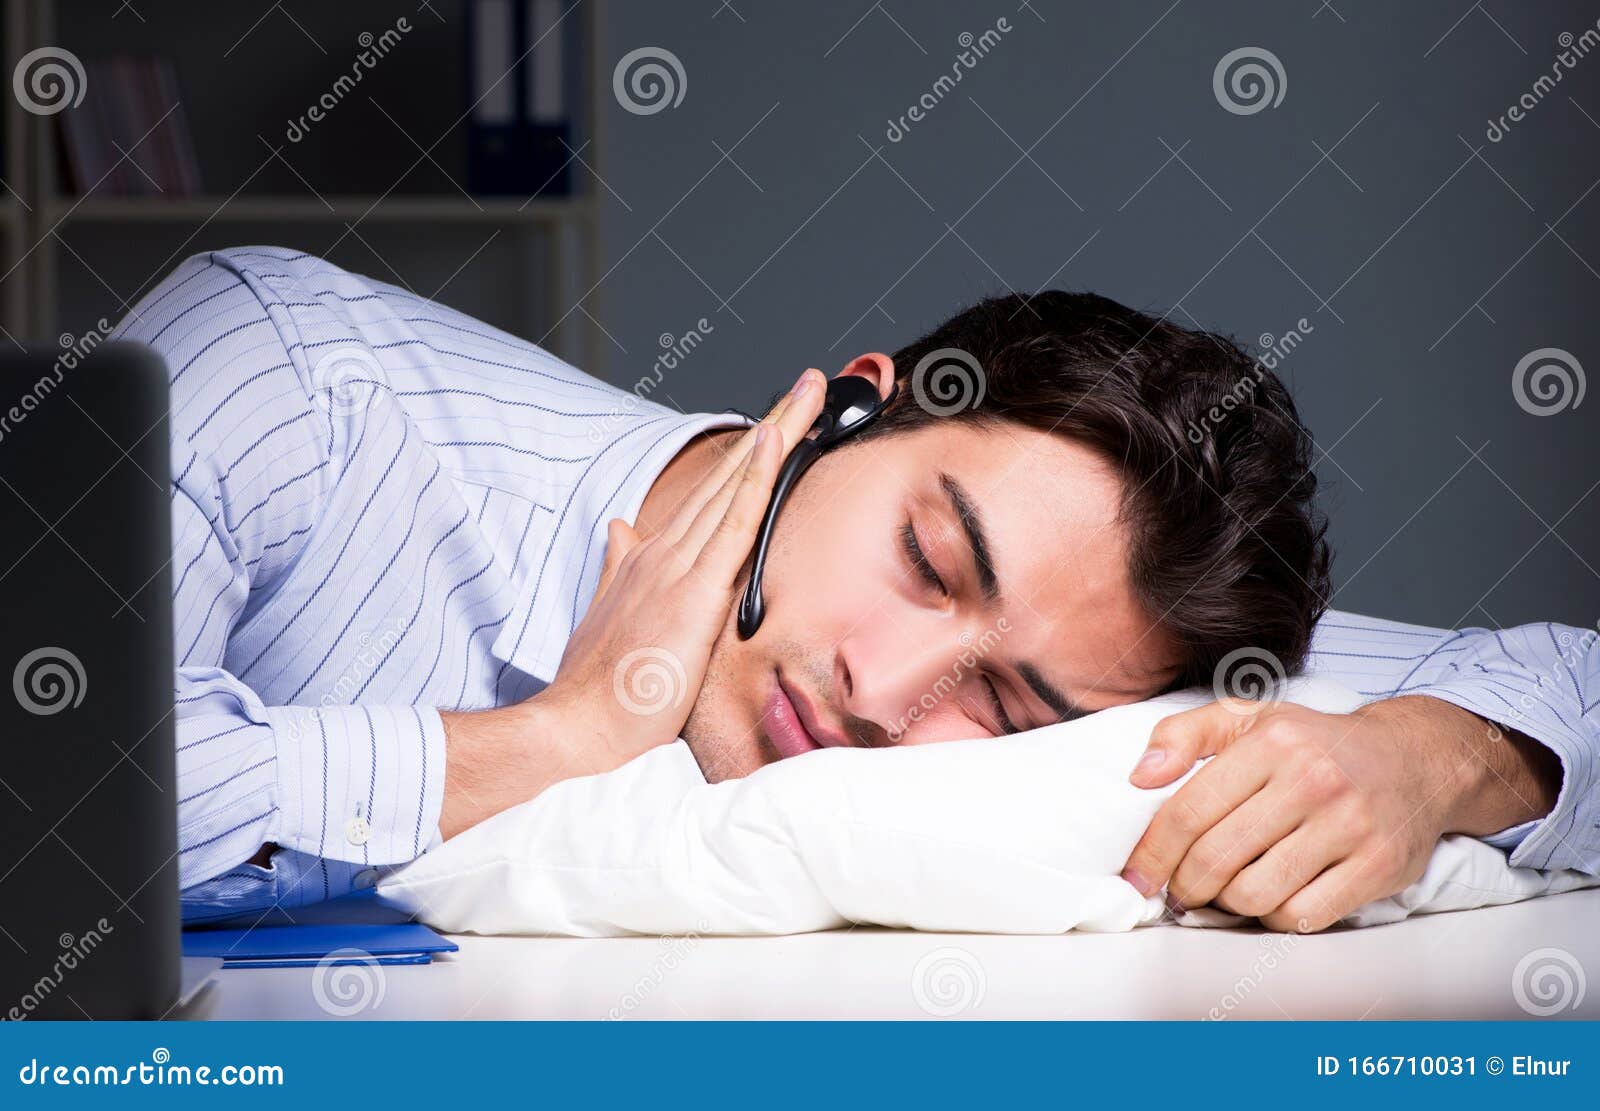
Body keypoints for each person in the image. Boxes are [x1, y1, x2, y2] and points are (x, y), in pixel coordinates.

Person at [125, 247, 1594, 931]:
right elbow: (49, 803)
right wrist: (555, 744)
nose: (884, 701)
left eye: (1008, 703)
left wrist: (1434, 760)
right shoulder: (286, 380)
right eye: (929, 563)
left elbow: (1571, 683)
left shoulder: (1123, 627)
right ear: (848, 412)